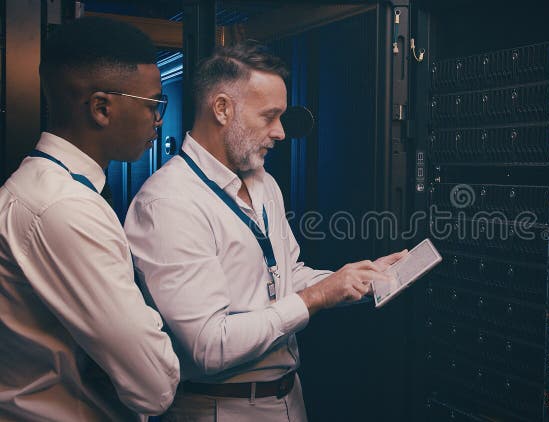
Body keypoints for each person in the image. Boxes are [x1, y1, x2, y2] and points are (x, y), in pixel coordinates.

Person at [123, 42, 405, 421]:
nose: (281, 132)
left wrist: (356, 281)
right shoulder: (168, 203)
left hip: (288, 398)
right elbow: (209, 346)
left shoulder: (262, 182)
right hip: (220, 408)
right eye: (269, 116)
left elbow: (287, 276)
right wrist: (317, 296)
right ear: (222, 109)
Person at [0, 17, 180, 421]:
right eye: (153, 104)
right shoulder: (63, 208)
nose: (158, 119)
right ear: (102, 108)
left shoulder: (48, 191)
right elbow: (154, 386)